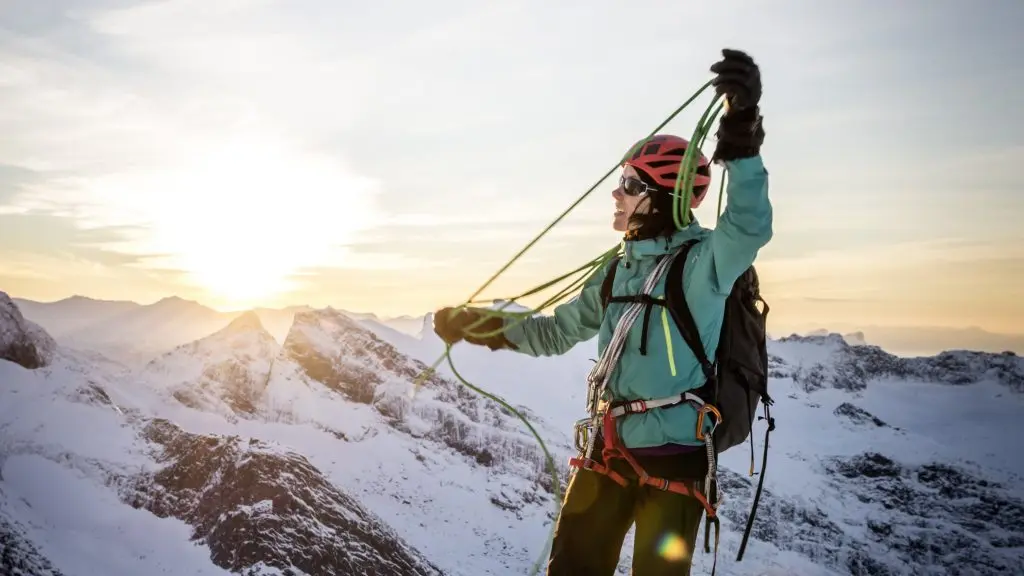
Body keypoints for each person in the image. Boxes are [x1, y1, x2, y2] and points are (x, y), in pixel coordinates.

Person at [432, 48, 772, 576]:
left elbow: (748, 225)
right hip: (608, 446)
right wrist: (474, 326)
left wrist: (742, 130)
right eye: (620, 181)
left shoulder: (703, 263)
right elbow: (553, 333)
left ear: (660, 197)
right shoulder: (616, 270)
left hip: (679, 453)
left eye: (631, 185)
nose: (616, 193)